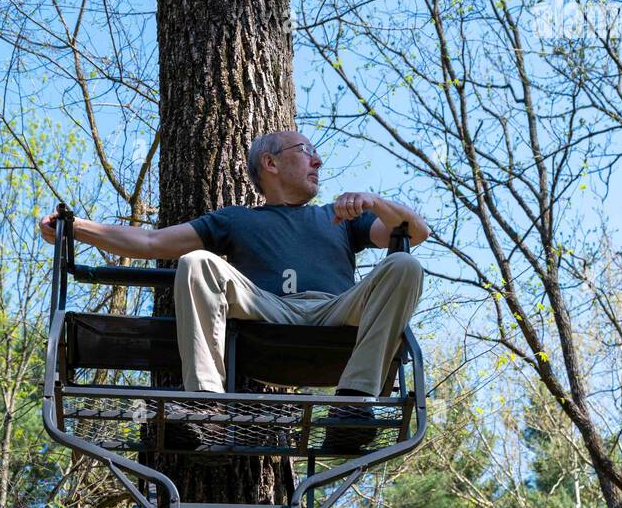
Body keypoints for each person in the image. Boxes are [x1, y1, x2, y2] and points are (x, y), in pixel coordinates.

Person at [39, 128, 428, 451]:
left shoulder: (338, 217)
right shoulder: (235, 220)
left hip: (336, 312)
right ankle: (205, 407)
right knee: (195, 262)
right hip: (267, 310)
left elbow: (417, 233)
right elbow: (151, 243)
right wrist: (75, 228)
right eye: (306, 152)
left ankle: (354, 406)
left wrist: (375, 203)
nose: (317, 161)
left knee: (405, 263)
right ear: (270, 163)